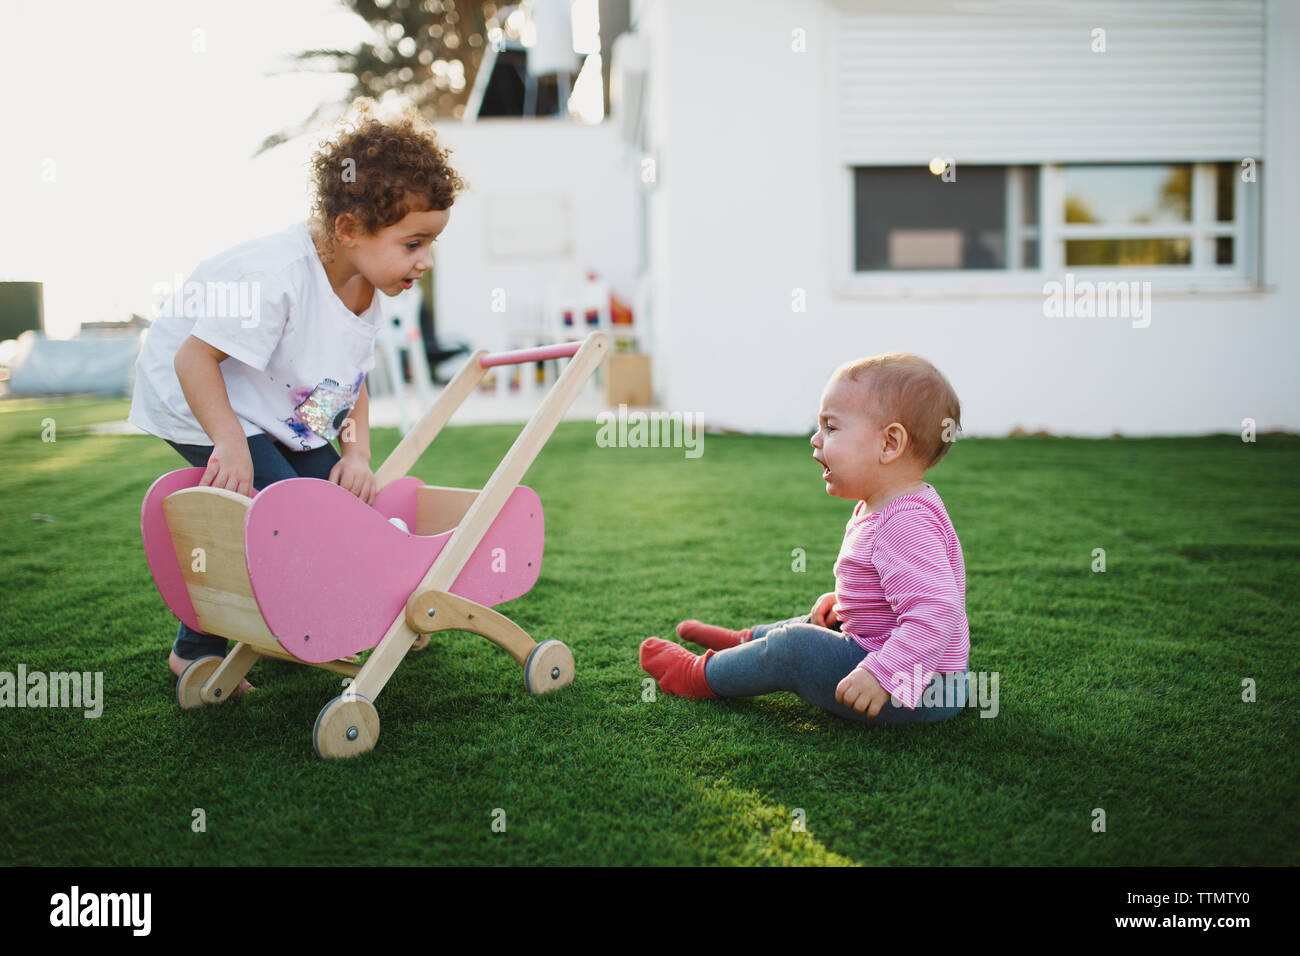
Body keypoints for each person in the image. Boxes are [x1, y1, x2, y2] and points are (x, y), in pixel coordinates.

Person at [129, 99, 465, 691]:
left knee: (331, 501)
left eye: (431, 242)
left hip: (270, 402)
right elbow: (194, 357)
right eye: (413, 243)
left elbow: (347, 385)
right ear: (349, 229)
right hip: (200, 396)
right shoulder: (277, 278)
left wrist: (355, 454)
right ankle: (195, 648)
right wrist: (229, 443)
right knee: (282, 510)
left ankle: (357, 608)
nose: (426, 261)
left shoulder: (364, 286)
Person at [639, 353, 971, 724]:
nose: (815, 440)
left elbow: (937, 613)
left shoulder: (905, 524)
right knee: (821, 620)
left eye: (831, 427)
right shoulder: (889, 504)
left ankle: (698, 676)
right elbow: (893, 593)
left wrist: (883, 673)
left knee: (797, 647)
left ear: (889, 443)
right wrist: (851, 604)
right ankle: (746, 643)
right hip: (901, 662)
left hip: (921, 689)